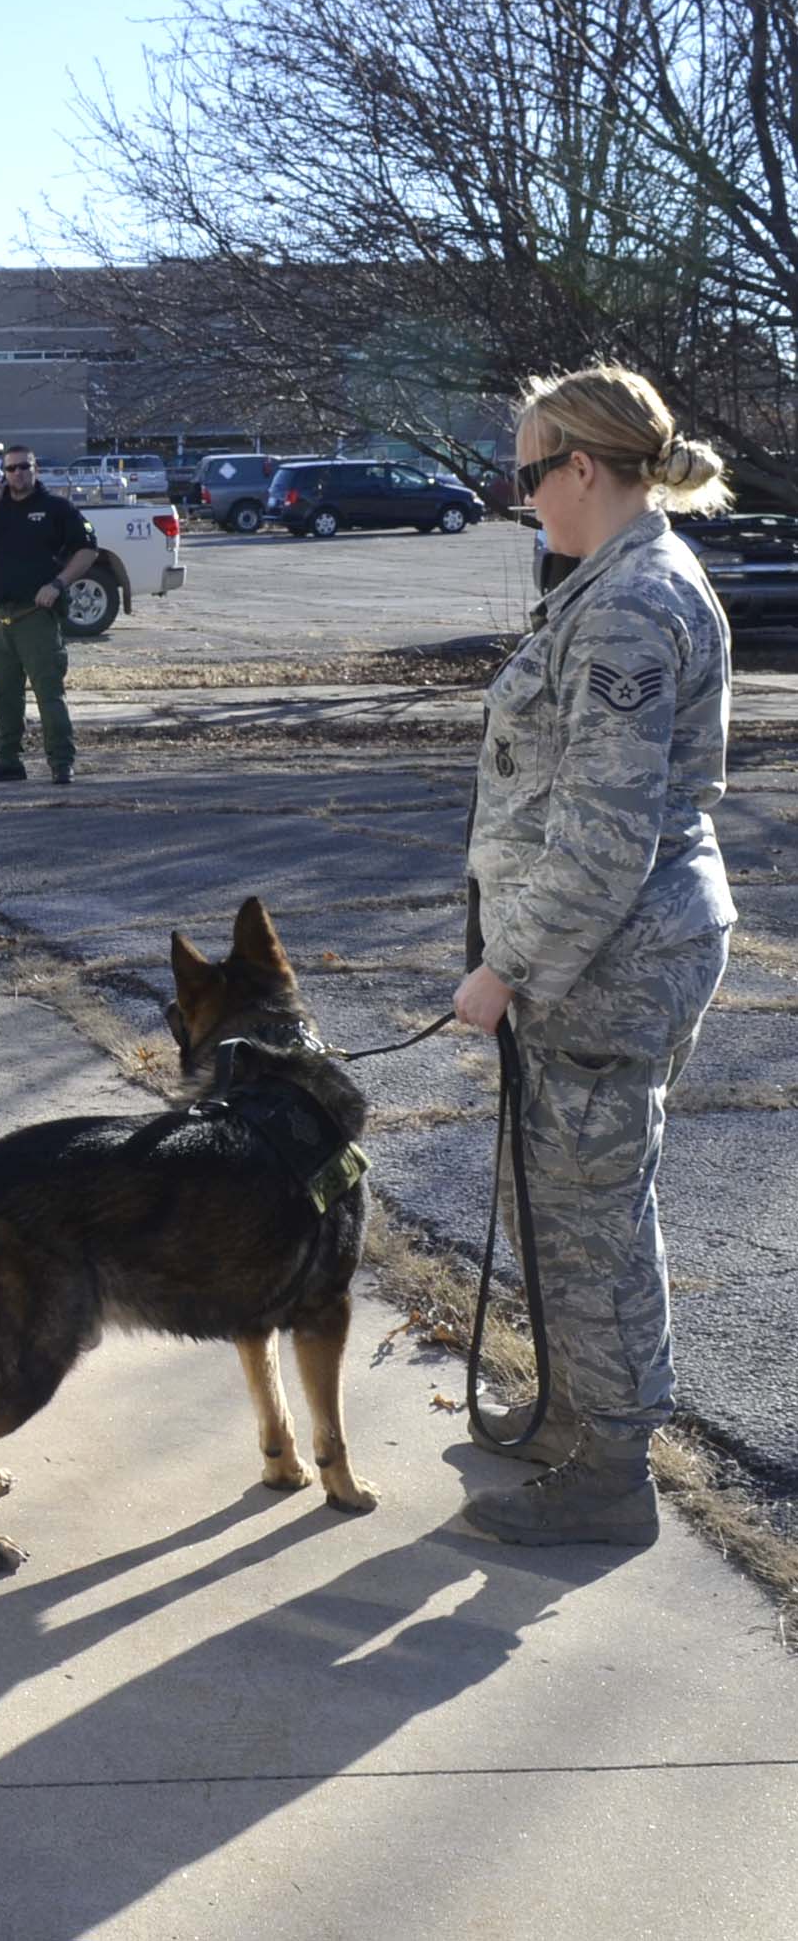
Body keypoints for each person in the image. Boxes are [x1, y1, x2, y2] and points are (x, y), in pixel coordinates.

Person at [451, 364, 736, 1550]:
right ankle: (575, 1410)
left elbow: (605, 842)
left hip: (607, 961)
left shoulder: (626, 606)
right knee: (560, 1206)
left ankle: (612, 1475)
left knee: (595, 1220)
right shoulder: (610, 584)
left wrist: (503, 968)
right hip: (602, 956)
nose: (522, 501)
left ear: (580, 467)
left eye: (528, 475)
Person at [0, 444, 96, 784]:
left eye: (23, 467)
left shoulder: (55, 509)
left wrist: (59, 584)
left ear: (35, 470)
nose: (17, 474)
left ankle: (61, 761)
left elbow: (88, 550)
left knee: (48, 693)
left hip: (35, 615)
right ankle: (8, 761)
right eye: (11, 469)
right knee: (4, 695)